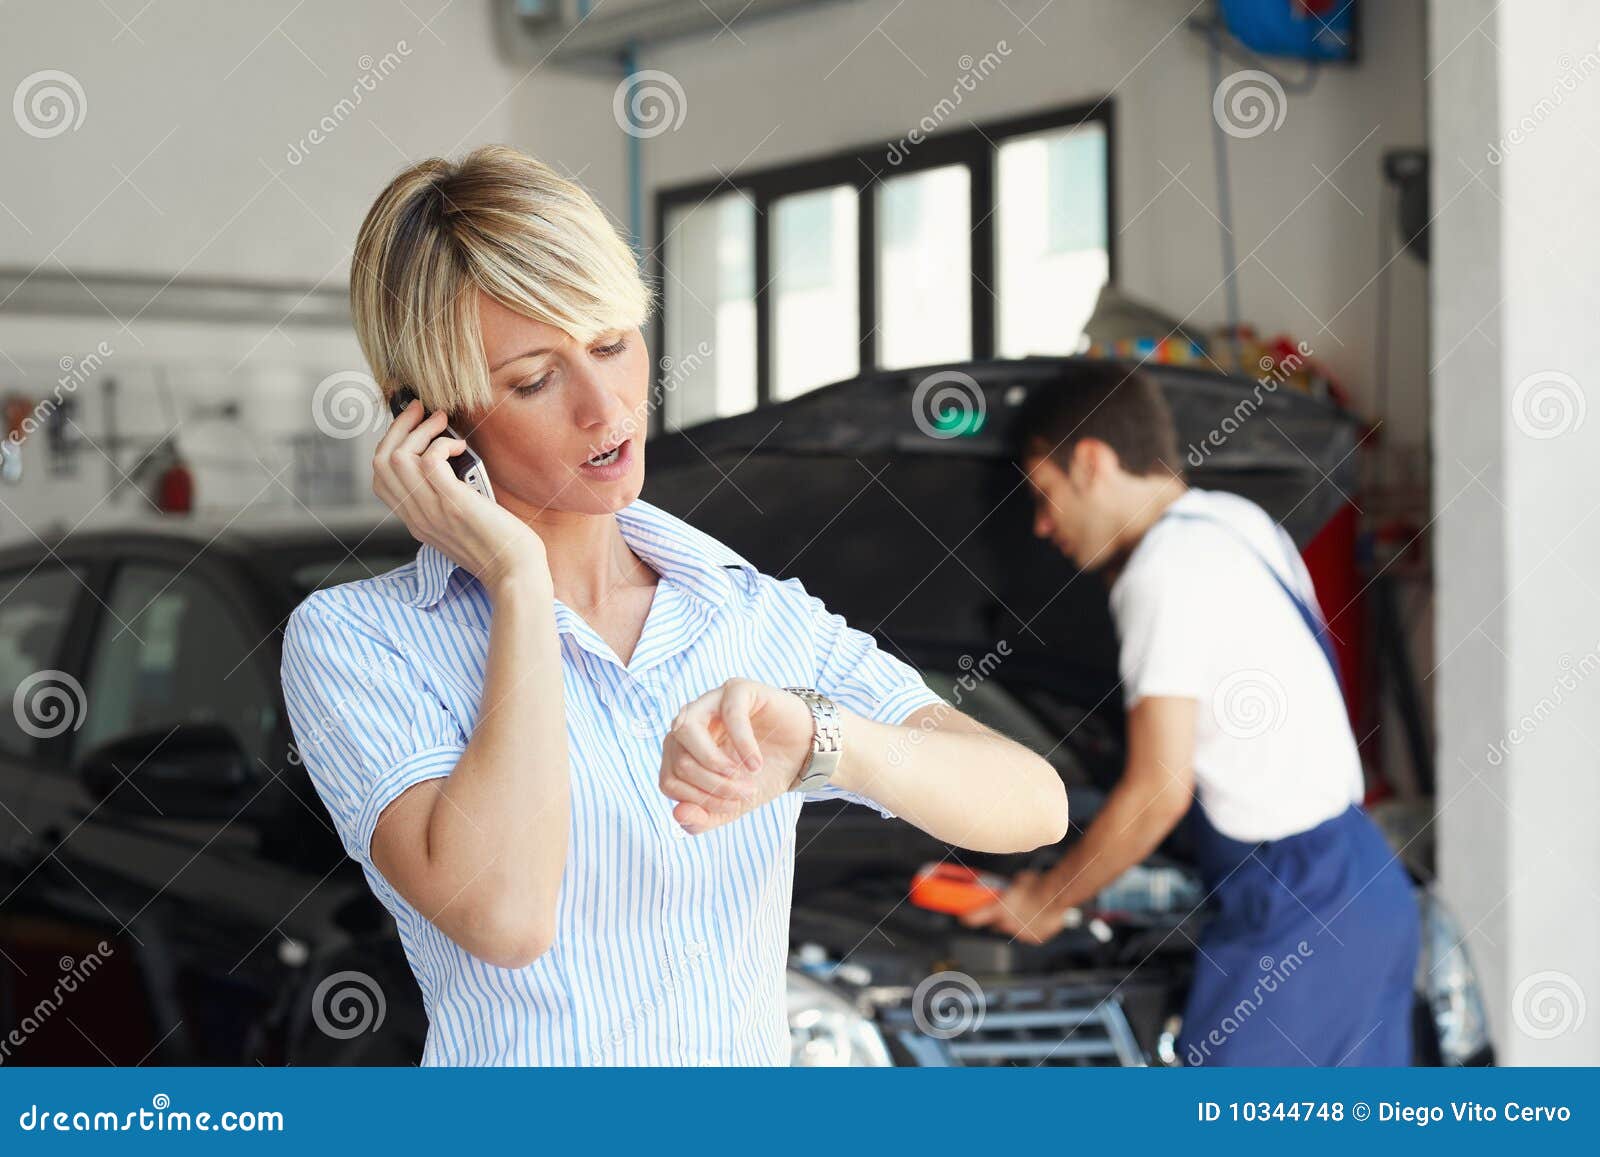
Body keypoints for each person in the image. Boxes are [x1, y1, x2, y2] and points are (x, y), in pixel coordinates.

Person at [279, 145, 1068, 1066]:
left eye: (612, 343)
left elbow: (1035, 803)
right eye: (534, 379)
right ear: (432, 420)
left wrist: (824, 740)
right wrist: (519, 582)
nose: (605, 404)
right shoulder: (361, 641)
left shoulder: (748, 612)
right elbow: (506, 917)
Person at [963, 362, 1418, 1066]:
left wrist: (1047, 898)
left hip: (1296, 907)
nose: (1043, 524)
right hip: (1365, 885)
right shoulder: (1238, 522)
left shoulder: (1161, 570)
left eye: (1045, 494)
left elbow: (1157, 791)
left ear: (1091, 461)